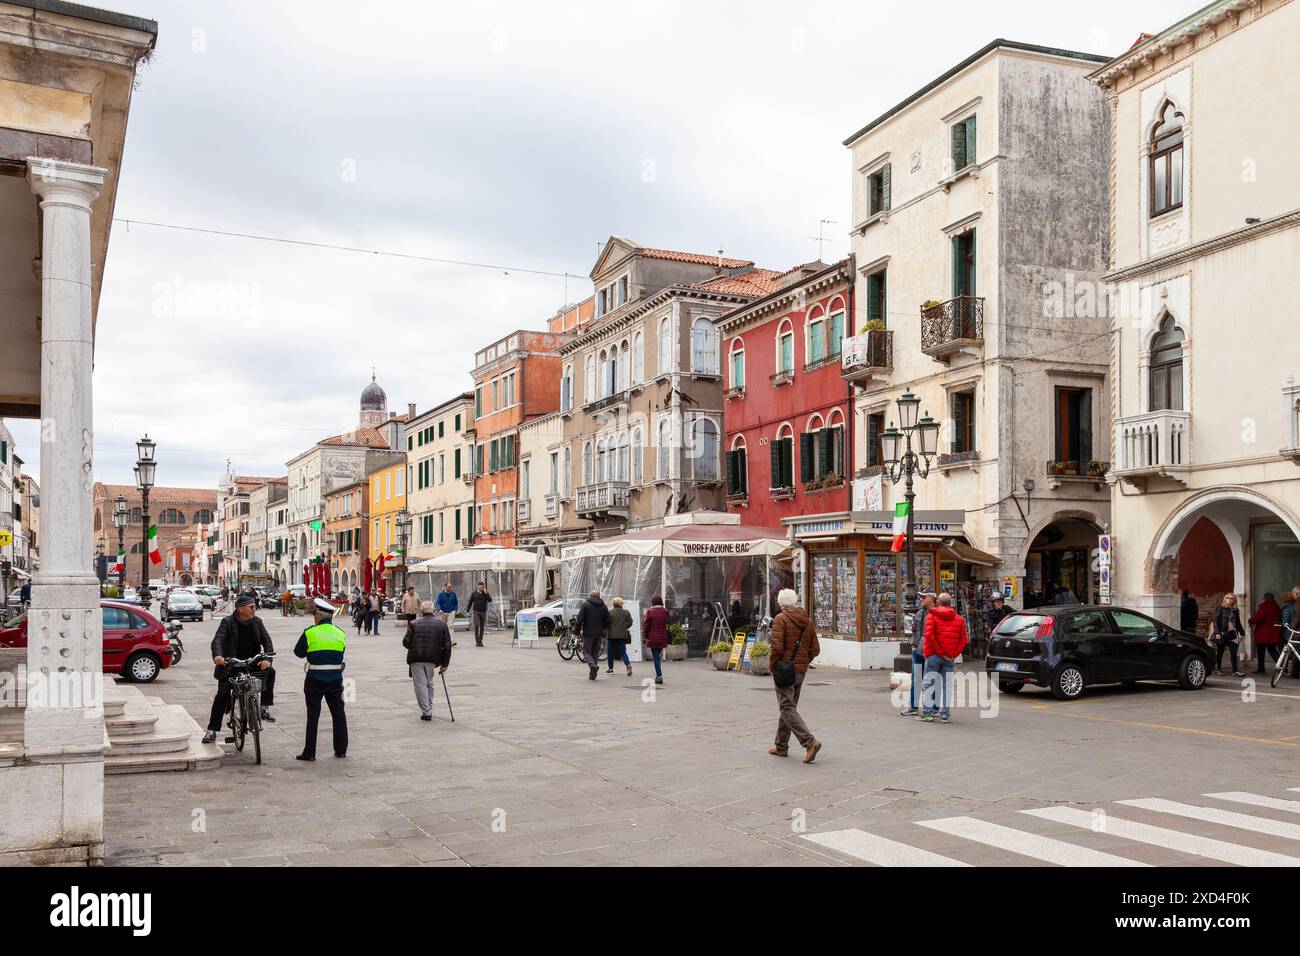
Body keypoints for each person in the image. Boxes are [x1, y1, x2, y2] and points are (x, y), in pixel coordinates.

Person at [202, 594, 275, 744]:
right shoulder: (227, 622)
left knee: (270, 672)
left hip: (252, 662)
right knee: (222, 695)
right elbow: (218, 640)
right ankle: (212, 731)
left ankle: (264, 707)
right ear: (240, 609)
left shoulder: (257, 622)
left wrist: (267, 659)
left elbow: (267, 642)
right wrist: (218, 657)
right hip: (230, 664)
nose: (255, 609)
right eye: (252, 607)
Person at [767, 588, 821, 763]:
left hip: (784, 670)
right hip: (800, 671)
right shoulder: (807, 621)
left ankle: (810, 742)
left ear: (781, 603)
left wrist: (773, 666)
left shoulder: (780, 619)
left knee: (787, 708)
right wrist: (803, 662)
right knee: (789, 707)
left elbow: (776, 648)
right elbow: (815, 649)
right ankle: (781, 746)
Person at [294, 595, 348, 760]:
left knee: (313, 715)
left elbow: (298, 652)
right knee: (338, 713)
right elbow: (340, 653)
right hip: (335, 678)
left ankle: (309, 753)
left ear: (318, 614)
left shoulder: (310, 632)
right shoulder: (340, 633)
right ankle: (341, 750)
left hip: (315, 678)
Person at [921, 592, 969, 723]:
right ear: (950, 603)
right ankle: (945, 713)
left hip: (933, 655)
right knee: (947, 685)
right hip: (949, 658)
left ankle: (927, 713)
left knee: (929, 683)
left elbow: (929, 636)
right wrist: (953, 654)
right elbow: (963, 639)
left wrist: (939, 651)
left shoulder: (932, 616)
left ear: (938, 603)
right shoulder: (959, 619)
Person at [403, 600, 452, 721]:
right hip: (433, 658)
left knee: (420, 685)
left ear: (422, 611)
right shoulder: (441, 624)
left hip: (416, 658)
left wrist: (413, 646)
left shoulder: (414, 623)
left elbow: (405, 642)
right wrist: (445, 664)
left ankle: (426, 711)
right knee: (428, 683)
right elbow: (447, 645)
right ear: (433, 611)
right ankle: (428, 707)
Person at [900, 592, 935, 717]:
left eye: (924, 597)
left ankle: (933, 707)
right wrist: (913, 646)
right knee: (916, 680)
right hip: (918, 651)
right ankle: (913, 706)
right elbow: (914, 630)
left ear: (931, 598)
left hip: (931, 652)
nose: (921, 599)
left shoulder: (937, 614)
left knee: (931, 679)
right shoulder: (920, 613)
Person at [574, 589, 610, 681]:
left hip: (588, 633)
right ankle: (592, 674)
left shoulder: (585, 604)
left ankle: (593, 665)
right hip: (599, 633)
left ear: (591, 595)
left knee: (586, 652)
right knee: (595, 653)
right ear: (599, 596)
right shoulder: (604, 606)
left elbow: (579, 620)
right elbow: (608, 621)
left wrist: (577, 632)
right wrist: (602, 628)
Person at [1209, 592, 1245, 677]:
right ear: (1225, 599)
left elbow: (1238, 623)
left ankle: (1235, 671)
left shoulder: (1235, 610)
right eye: (1228, 598)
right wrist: (1217, 633)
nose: (1229, 599)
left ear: (1234, 600)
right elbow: (1215, 621)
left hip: (1232, 634)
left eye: (1232, 598)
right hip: (1222, 633)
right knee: (1220, 652)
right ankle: (1218, 669)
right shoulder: (1220, 608)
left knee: (1234, 652)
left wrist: (1242, 633)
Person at [1250, 592, 1283, 675]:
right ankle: (1283, 667)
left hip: (1263, 633)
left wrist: (1251, 620)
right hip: (1273, 633)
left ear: (1265, 598)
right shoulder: (1277, 607)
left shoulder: (1263, 606)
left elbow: (1258, 618)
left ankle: (1261, 669)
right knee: (1273, 651)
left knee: (1261, 652)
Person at [642, 595, 669, 685]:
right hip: (662, 637)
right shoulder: (665, 611)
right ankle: (658, 674)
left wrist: (646, 635)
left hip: (653, 637)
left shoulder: (650, 612)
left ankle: (659, 676)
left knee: (656, 657)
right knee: (658, 656)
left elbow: (646, 625)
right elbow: (666, 623)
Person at [607, 597, 634, 677]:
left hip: (611, 636)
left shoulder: (610, 613)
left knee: (610, 653)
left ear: (613, 604)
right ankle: (628, 665)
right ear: (621, 604)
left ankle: (610, 669)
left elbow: (607, 624)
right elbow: (630, 622)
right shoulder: (626, 612)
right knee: (623, 653)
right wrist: (625, 627)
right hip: (622, 636)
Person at [466, 582, 492, 646]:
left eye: (482, 587)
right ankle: (477, 641)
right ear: (477, 587)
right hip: (476, 612)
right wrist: (467, 611)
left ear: (484, 587)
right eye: (480, 587)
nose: (481, 588)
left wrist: (486, 593)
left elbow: (490, 600)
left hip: (483, 612)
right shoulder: (474, 594)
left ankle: (480, 641)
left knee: (482, 627)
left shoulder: (485, 594)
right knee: (477, 625)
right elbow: (470, 602)